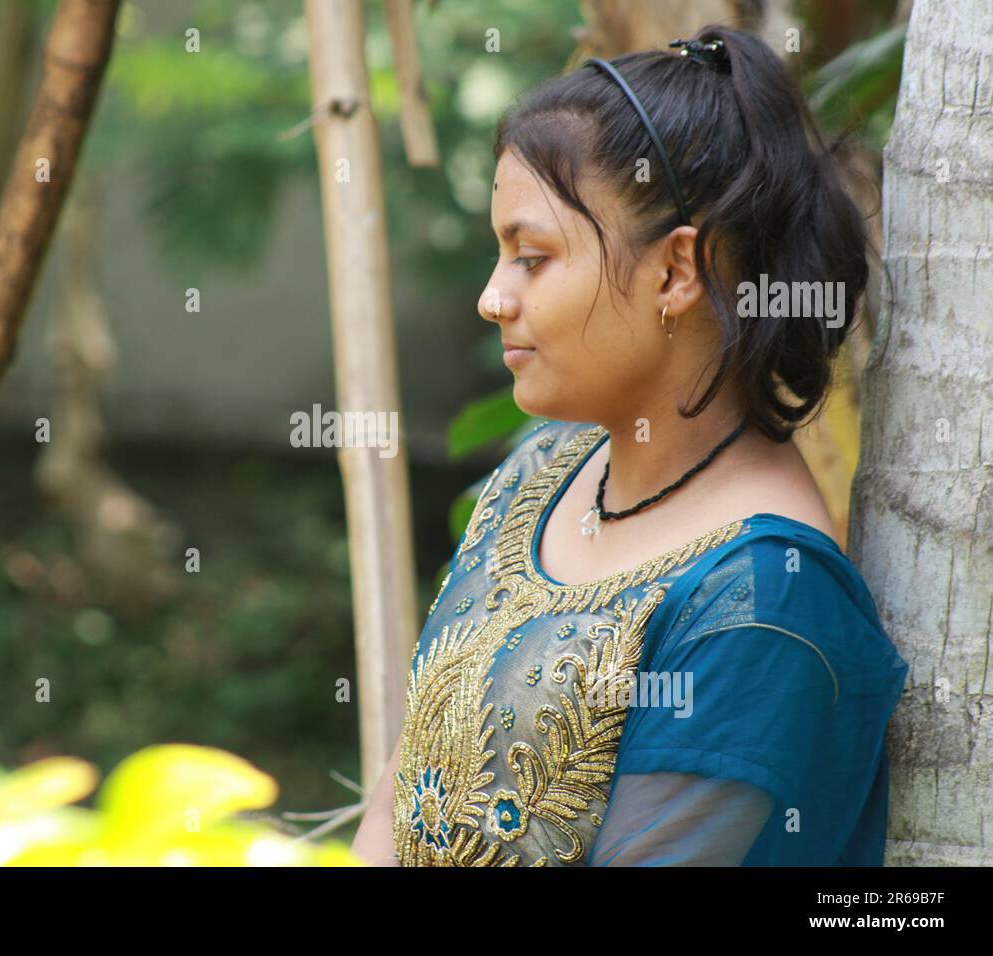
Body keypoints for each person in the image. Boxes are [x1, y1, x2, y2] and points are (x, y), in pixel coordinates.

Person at [350, 25, 909, 866]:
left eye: (533, 258)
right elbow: (398, 798)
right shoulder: (542, 468)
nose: (493, 297)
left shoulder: (764, 600)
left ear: (677, 271)